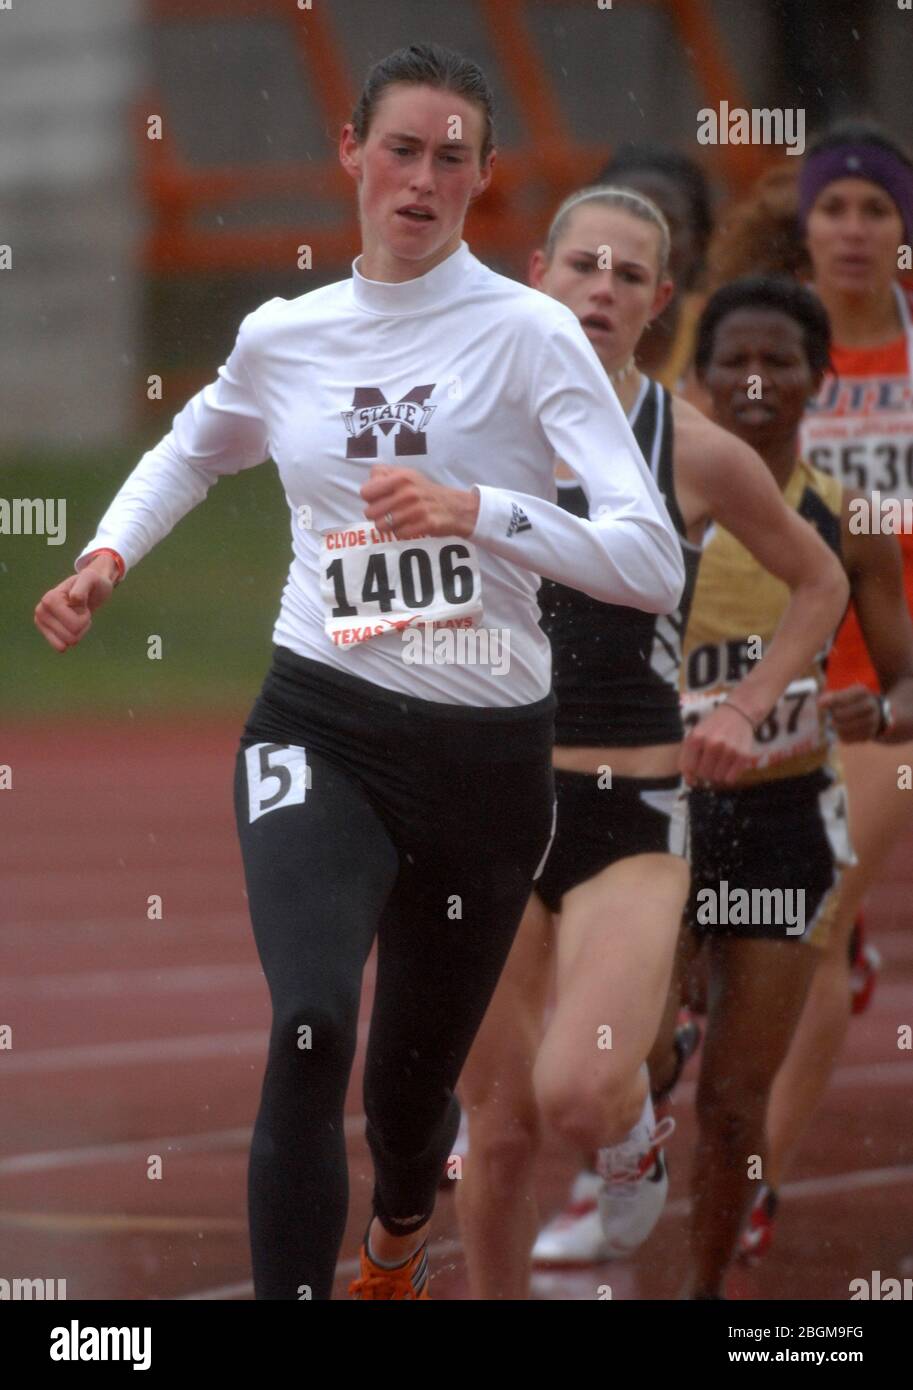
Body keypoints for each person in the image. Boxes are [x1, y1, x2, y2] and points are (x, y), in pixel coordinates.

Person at [33, 43, 692, 1302]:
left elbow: (648, 562)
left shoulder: (531, 333)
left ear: (483, 179)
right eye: (401, 148)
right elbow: (193, 446)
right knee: (307, 1025)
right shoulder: (286, 333)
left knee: (405, 1102)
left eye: (453, 157)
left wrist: (476, 511)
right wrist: (107, 554)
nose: (422, 177)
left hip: (486, 758)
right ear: (351, 153)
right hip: (319, 722)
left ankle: (398, 1229)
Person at [453, 188, 847, 1299]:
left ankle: (630, 1140)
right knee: (498, 1126)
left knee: (580, 1090)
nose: (602, 289)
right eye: (583, 265)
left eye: (630, 275)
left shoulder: (691, 446)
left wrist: (743, 706)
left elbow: (816, 581)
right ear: (540, 273)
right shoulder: (466, 423)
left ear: (660, 300)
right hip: (485, 810)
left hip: (628, 809)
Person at [646, 274, 913, 1299]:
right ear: (701, 376)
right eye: (734, 359)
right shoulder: (649, 505)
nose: (756, 378)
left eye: (781, 359)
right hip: (654, 813)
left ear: (818, 377)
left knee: (734, 1101)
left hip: (781, 816)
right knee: (638, 1059)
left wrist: (876, 714)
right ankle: (646, 1073)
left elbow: (901, 682)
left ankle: (703, 1292)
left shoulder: (844, 525)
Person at [596, 143, 714, 388]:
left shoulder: (727, 340)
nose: (641, 240)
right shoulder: (550, 336)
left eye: (665, 223)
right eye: (622, 219)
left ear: (699, 242)